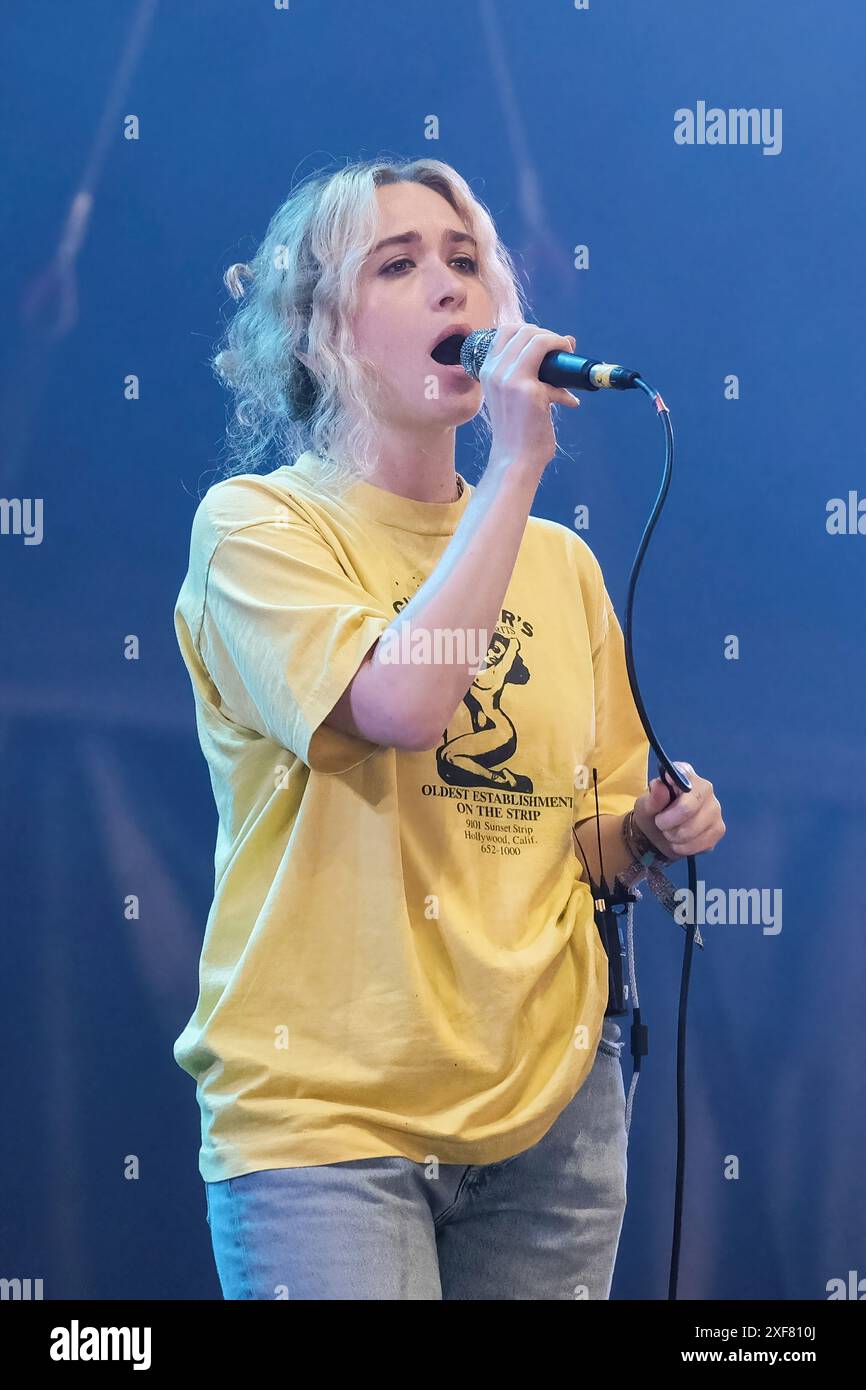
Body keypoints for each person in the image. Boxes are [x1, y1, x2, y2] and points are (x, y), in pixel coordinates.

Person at [173, 156, 726, 1300]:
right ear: (318, 331)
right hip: (329, 1119)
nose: (449, 288)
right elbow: (400, 704)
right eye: (399, 263)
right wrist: (519, 460)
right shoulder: (256, 528)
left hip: (547, 1117)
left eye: (466, 261)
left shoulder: (560, 567)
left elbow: (581, 834)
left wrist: (655, 828)